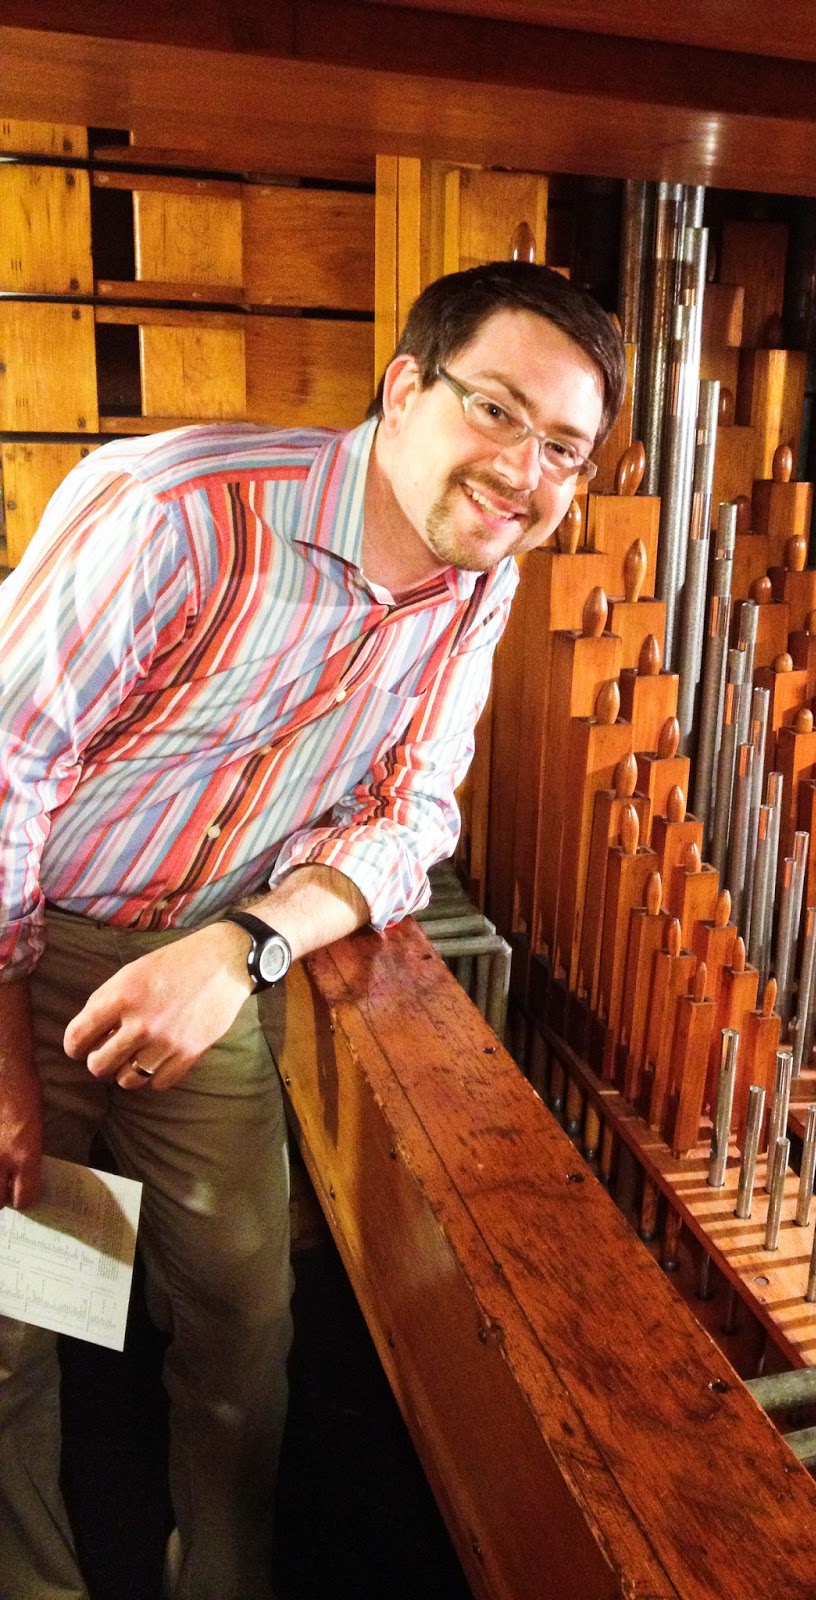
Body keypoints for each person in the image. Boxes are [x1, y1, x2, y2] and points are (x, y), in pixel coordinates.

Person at [0, 259, 626, 1600]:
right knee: (15, 1319)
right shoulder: (175, 514)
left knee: (240, 1318)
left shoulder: (480, 580)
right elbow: (5, 768)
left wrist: (242, 949)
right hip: (22, 945)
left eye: (564, 449)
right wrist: (3, 1045)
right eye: (499, 413)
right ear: (405, 390)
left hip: (207, 963)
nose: (524, 472)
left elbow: (413, 818)